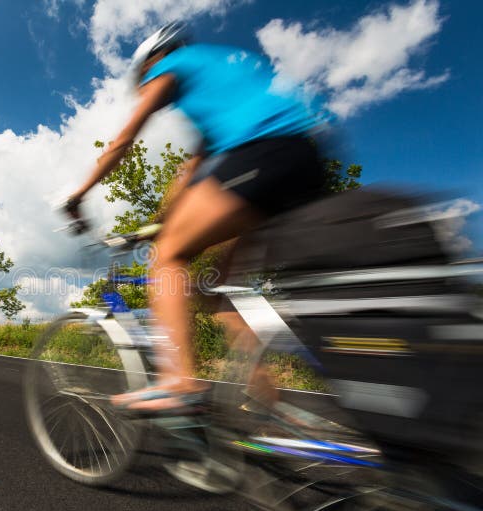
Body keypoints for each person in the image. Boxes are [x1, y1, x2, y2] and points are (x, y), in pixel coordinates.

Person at [64, 22, 330, 413]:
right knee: (218, 289)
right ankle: (270, 407)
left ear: (153, 59)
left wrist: (78, 195)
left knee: (168, 257)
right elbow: (189, 171)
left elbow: (123, 140)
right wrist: (157, 223)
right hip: (304, 160)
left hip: (263, 151)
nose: (143, 86)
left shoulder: (171, 65)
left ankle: (178, 382)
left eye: (141, 78)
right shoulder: (219, 75)